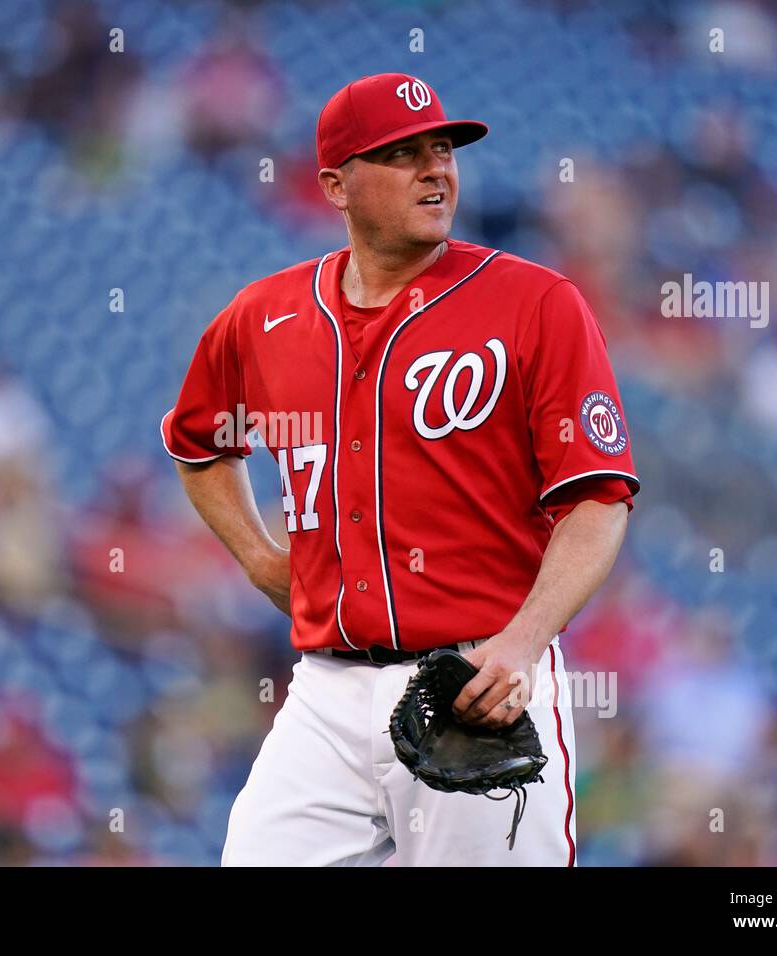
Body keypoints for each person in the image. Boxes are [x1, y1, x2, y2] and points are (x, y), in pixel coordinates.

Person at [160, 73, 639, 866]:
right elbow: (199, 443)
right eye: (403, 153)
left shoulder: (533, 303)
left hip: (476, 679)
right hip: (324, 690)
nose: (436, 169)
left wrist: (521, 644)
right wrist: (259, 559)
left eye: (443, 149)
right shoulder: (265, 316)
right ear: (335, 185)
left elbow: (599, 501)